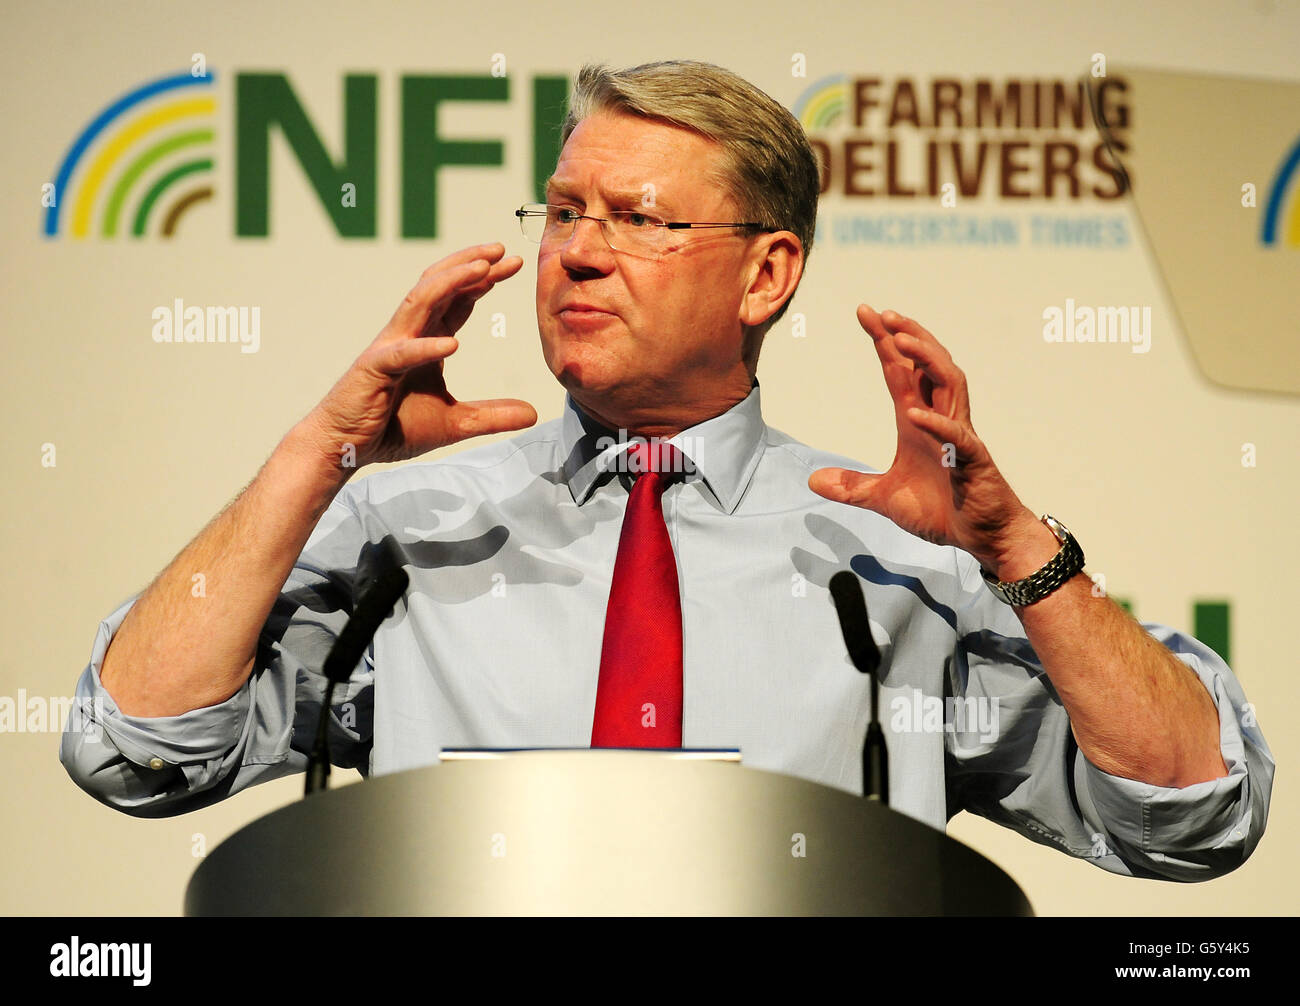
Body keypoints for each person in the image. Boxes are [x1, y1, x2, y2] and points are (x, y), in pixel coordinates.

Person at [61, 60, 1272, 882]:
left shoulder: (892, 554)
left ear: (764, 275)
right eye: (563, 213)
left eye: (637, 219)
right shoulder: (408, 530)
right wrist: (317, 452)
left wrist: (1016, 554)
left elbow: (1191, 809)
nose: (579, 254)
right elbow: (135, 745)